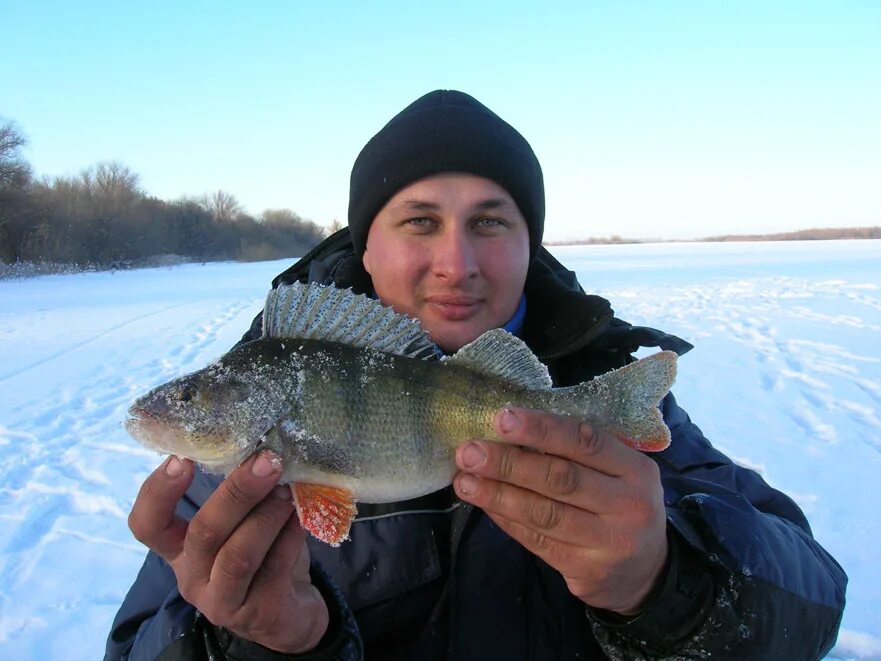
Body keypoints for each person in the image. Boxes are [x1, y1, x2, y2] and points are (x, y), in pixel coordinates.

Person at [107, 90, 847, 660]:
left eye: (490, 222)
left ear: (530, 243)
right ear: (365, 247)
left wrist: (665, 580)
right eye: (419, 221)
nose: (455, 264)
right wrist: (248, 643)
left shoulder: (594, 401)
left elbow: (814, 596)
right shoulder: (236, 473)